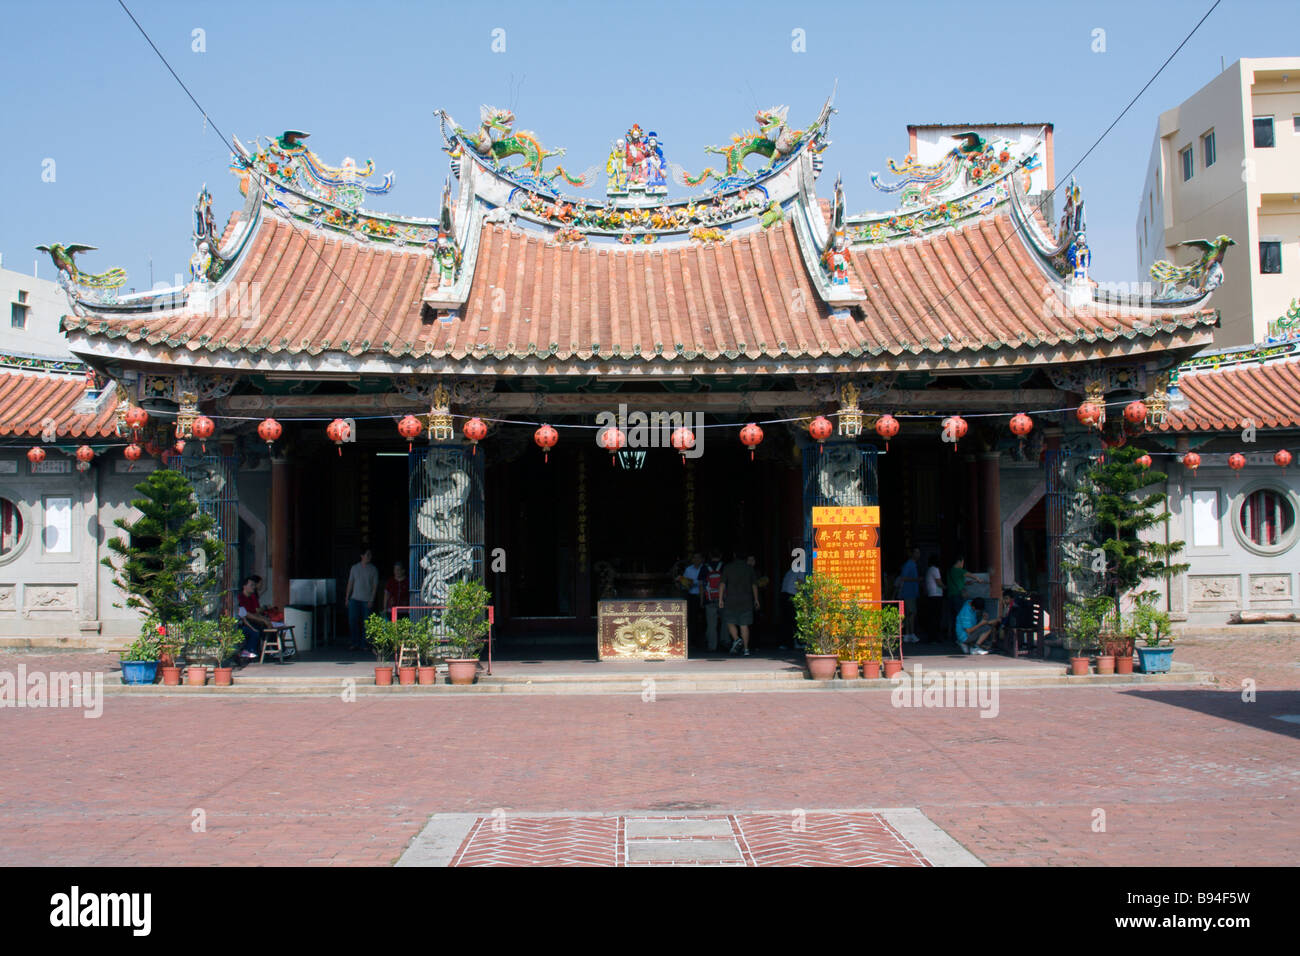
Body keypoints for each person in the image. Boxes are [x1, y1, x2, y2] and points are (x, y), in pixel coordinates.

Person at [719, 550, 759, 656]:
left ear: (734, 555)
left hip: (731, 599)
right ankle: (746, 650)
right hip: (746, 600)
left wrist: (720, 599)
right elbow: (754, 585)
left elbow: (722, 584)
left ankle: (737, 639)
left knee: (729, 621)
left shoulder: (728, 567)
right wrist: (756, 599)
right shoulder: (749, 569)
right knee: (744, 625)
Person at [346, 548, 379, 651]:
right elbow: (350, 583)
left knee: (366, 622)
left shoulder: (373, 569)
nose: (369, 557)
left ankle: (364, 643)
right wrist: (347, 597)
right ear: (362, 556)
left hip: (366, 599)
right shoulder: (354, 568)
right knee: (353, 620)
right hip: (355, 598)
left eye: (370, 555)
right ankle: (355, 642)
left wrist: (371, 599)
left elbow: (375, 586)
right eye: (367, 554)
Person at [235, 576, 271, 660]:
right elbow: (246, 616)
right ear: (244, 586)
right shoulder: (239, 598)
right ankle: (249, 650)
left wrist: (264, 619)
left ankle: (272, 650)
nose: (254, 587)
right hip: (241, 625)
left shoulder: (252, 597)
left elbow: (255, 612)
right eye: (251, 585)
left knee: (265, 628)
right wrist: (262, 620)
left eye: (254, 585)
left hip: (251, 622)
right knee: (255, 631)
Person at [699, 550, 725, 653]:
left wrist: (701, 600)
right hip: (723, 599)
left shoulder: (705, 567)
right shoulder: (724, 567)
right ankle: (725, 642)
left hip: (709, 600)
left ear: (710, 556)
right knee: (726, 622)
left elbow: (701, 586)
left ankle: (712, 646)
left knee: (711, 624)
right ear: (721, 555)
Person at [779, 558, 805, 649]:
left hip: (784, 595)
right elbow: (800, 583)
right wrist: (803, 598)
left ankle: (785, 643)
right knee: (796, 620)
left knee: (786, 620)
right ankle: (799, 643)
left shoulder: (793, 568)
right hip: (792, 595)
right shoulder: (802, 567)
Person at [681, 552, 705, 648]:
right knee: (692, 619)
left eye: (698, 558)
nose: (697, 560)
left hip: (703, 596)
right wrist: (689, 584)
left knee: (703, 620)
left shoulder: (704, 568)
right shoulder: (688, 569)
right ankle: (692, 641)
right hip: (692, 596)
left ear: (702, 559)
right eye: (695, 558)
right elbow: (684, 583)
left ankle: (702, 640)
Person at [898, 548, 921, 644]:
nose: (918, 554)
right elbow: (903, 578)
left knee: (910, 614)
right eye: (916, 552)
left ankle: (909, 634)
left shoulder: (913, 565)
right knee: (911, 613)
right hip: (908, 593)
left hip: (912, 592)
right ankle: (910, 634)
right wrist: (916, 579)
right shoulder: (909, 564)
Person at [922, 554, 944, 642]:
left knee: (932, 617)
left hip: (931, 595)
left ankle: (931, 637)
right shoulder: (935, 569)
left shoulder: (929, 570)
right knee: (937, 617)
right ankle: (935, 637)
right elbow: (939, 583)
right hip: (936, 595)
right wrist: (946, 587)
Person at [945, 555, 968, 640]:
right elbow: (969, 574)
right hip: (957, 596)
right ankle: (959, 635)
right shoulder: (958, 570)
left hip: (950, 595)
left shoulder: (950, 571)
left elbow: (957, 582)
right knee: (960, 615)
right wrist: (978, 579)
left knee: (951, 616)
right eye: (962, 562)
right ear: (959, 562)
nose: (962, 564)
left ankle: (951, 634)